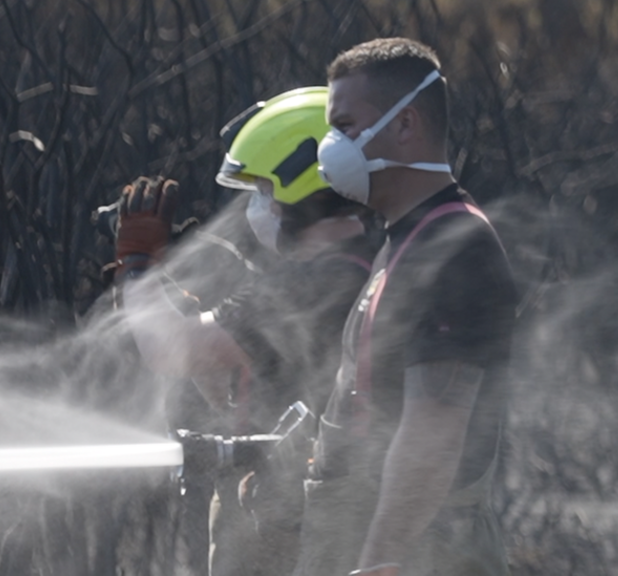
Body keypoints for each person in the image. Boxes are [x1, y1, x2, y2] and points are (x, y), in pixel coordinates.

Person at [114, 87, 377, 576]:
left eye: (263, 191)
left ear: (300, 183)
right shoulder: (363, 264)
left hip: (285, 529)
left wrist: (136, 267)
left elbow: (169, 351)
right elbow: (225, 379)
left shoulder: (315, 283)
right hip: (311, 514)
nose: (259, 208)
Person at [293, 38, 517, 576]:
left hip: (422, 555)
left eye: (344, 126)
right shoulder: (403, 240)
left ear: (405, 123)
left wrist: (379, 561)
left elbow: (434, 427)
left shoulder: (457, 246)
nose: (332, 144)